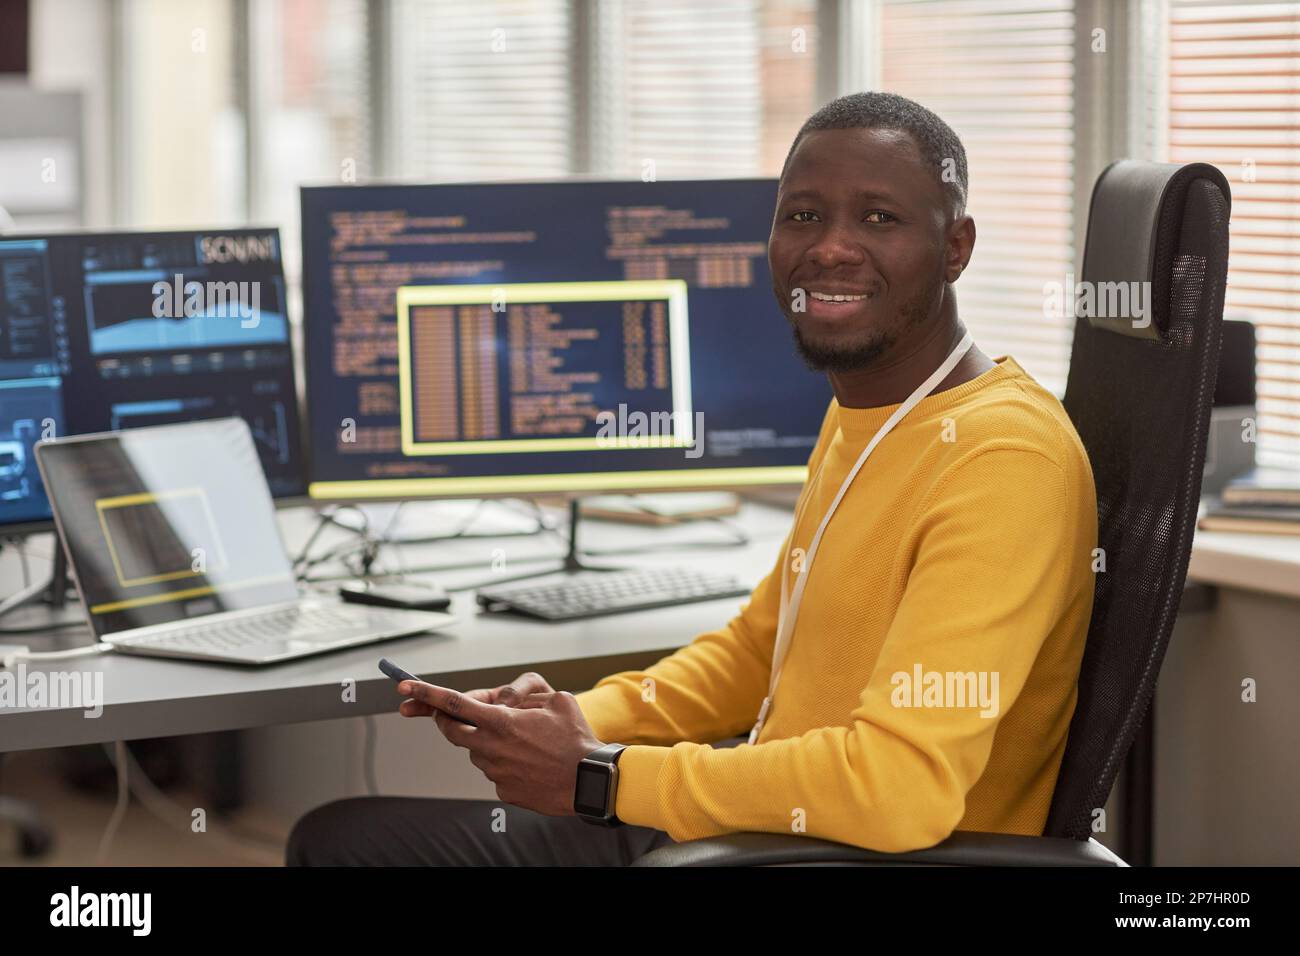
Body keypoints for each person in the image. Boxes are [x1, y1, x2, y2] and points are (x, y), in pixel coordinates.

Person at [287, 91, 1097, 867]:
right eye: (803, 216)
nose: (831, 247)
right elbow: (756, 654)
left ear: (956, 246)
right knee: (342, 836)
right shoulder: (874, 410)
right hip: (770, 835)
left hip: (844, 858)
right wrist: (573, 720)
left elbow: (898, 790)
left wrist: (602, 777)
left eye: (879, 218)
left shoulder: (1001, 460)